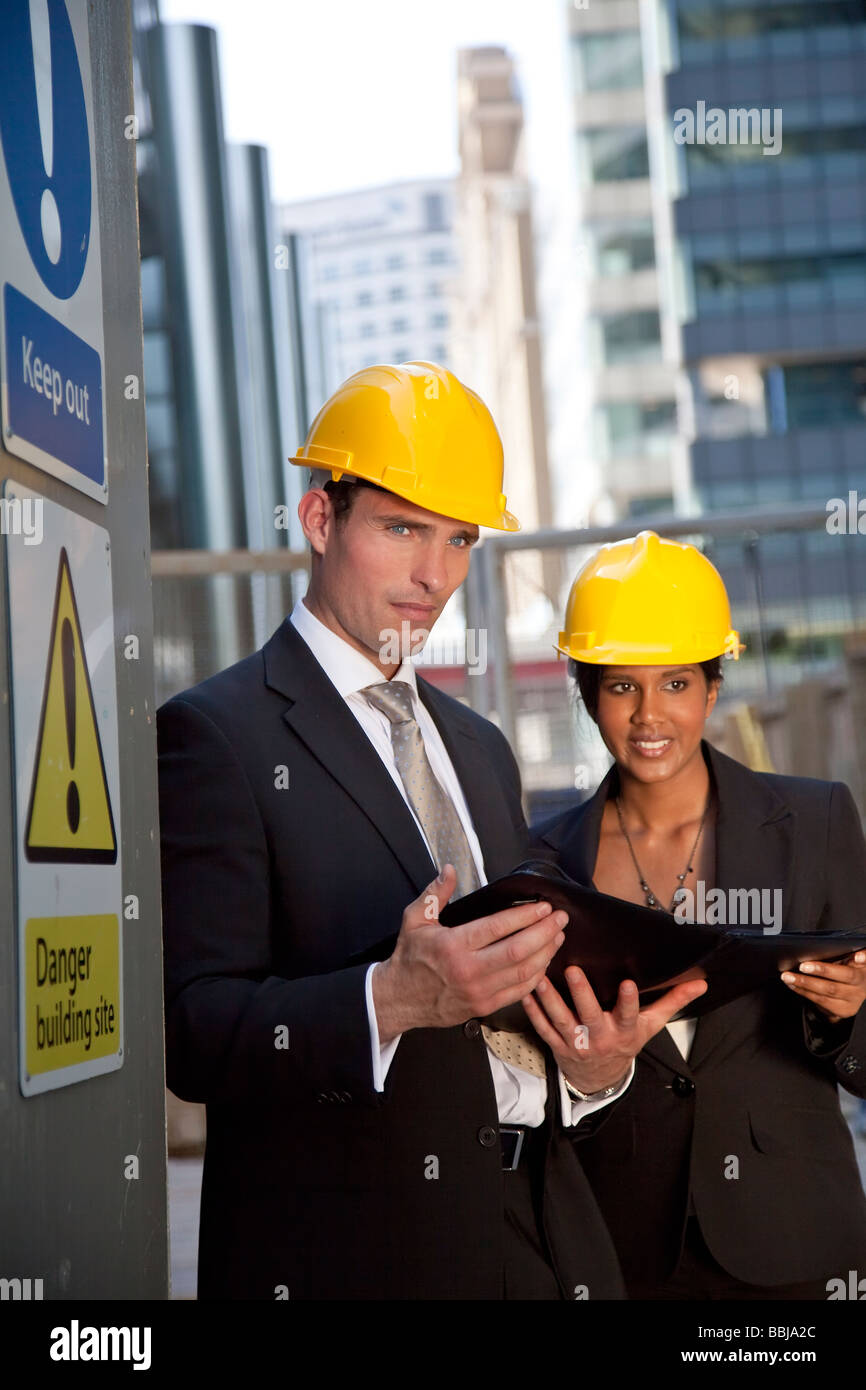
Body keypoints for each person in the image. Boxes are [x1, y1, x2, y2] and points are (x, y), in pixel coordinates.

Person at [158, 363, 704, 1301]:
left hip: (541, 1240)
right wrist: (389, 1000)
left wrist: (593, 1060)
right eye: (403, 528)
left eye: (458, 539)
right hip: (361, 1259)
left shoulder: (480, 747)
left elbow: (522, 992)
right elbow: (198, 1035)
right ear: (320, 520)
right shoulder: (218, 735)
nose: (434, 577)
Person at [528, 530, 866, 1300]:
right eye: (622, 687)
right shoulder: (545, 861)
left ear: (713, 689)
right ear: (587, 694)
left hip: (792, 1243)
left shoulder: (813, 823)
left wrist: (851, 1015)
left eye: (676, 684)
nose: (650, 715)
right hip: (619, 1248)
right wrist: (583, 1075)